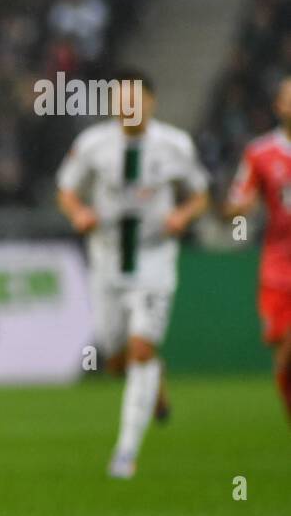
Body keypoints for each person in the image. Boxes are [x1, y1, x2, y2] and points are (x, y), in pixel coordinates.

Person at [56, 71, 209, 478]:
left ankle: (125, 453)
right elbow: (67, 189)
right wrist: (79, 212)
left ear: (151, 103)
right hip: (106, 258)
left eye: (135, 100)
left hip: (153, 259)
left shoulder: (175, 144)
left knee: (141, 350)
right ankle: (154, 378)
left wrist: (181, 214)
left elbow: (200, 193)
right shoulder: (93, 145)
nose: (128, 108)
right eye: (121, 100)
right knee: (116, 358)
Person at [223, 74, 291, 422]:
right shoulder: (261, 153)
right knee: (285, 358)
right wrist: (240, 211)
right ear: (279, 106)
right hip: (278, 269)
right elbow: (234, 206)